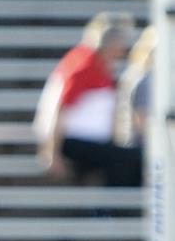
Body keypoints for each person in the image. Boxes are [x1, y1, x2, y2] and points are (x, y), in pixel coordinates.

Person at [38, 13, 142, 184]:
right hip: (73, 142)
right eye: (122, 41)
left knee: (129, 158)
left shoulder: (99, 65)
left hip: (91, 142)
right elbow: (60, 109)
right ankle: (108, 210)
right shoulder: (84, 65)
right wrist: (51, 153)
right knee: (128, 159)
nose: (124, 48)